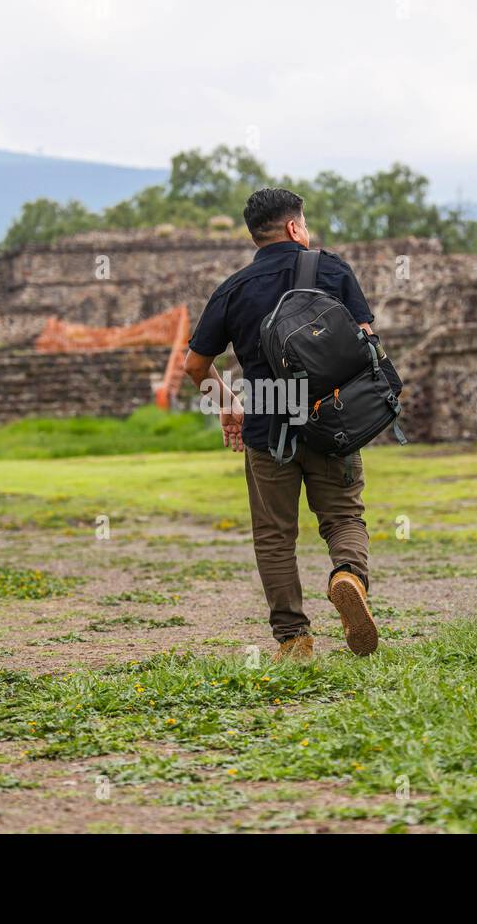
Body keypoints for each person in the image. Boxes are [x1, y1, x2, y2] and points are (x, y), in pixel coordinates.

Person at [183, 188, 380, 663]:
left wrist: (229, 403)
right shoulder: (331, 269)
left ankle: (294, 640)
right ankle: (347, 576)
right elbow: (368, 344)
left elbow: (194, 366)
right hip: (334, 419)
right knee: (343, 518)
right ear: (295, 227)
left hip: (268, 421)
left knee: (274, 535)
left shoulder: (233, 288)